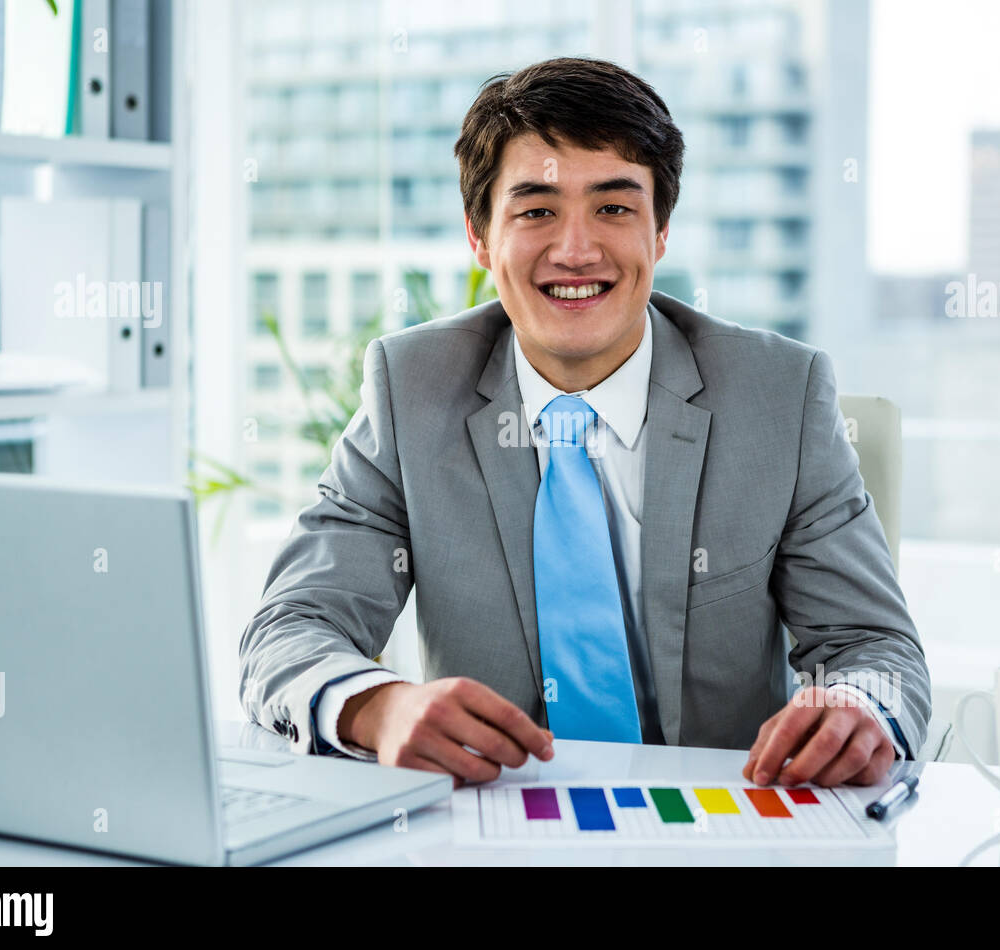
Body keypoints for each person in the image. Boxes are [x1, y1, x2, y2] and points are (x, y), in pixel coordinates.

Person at [239, 56, 931, 790]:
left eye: (613, 207)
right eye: (536, 209)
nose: (575, 250)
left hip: (719, 824)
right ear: (480, 237)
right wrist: (378, 708)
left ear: (660, 232)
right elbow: (288, 630)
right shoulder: (410, 390)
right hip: (492, 818)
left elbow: (873, 647)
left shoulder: (779, 397)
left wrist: (858, 707)